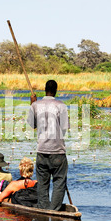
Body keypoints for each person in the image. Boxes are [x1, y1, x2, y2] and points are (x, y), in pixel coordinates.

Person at [27, 80, 69, 211]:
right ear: (55, 91)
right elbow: (64, 128)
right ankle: (54, 211)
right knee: (59, 183)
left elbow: (32, 125)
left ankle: (44, 210)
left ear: (45, 90)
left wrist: (32, 104)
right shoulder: (61, 106)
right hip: (58, 152)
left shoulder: (36, 105)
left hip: (42, 151)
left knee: (42, 185)